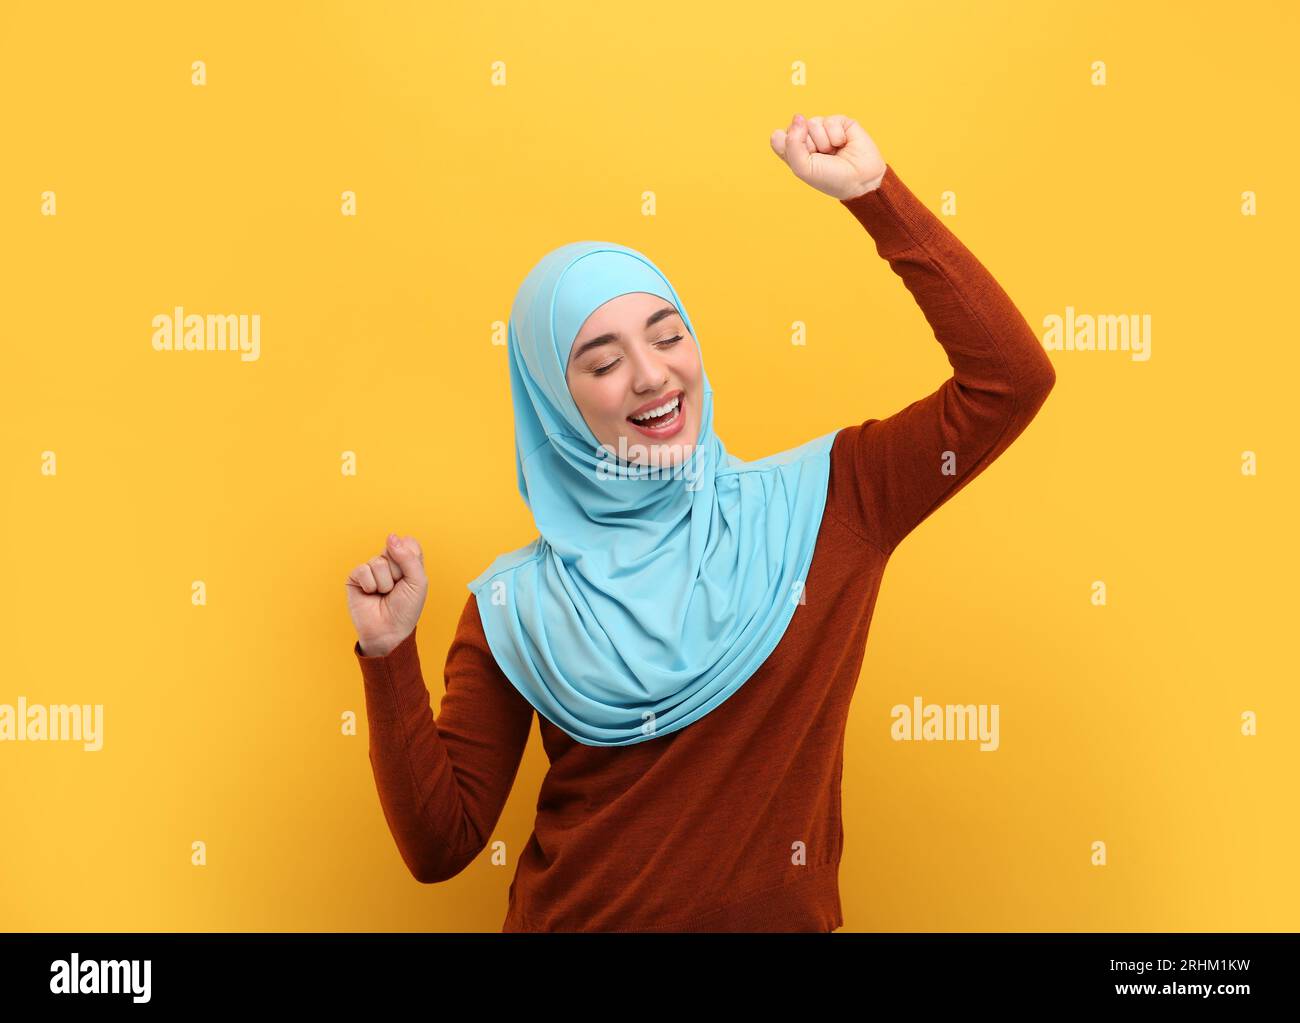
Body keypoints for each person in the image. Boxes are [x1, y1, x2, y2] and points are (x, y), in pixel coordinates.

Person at [344, 114, 1056, 931]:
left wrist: (873, 195)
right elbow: (442, 847)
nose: (652, 376)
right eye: (604, 362)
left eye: (668, 335)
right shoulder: (517, 608)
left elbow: (1010, 380)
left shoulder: (832, 502)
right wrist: (388, 653)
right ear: (554, 402)